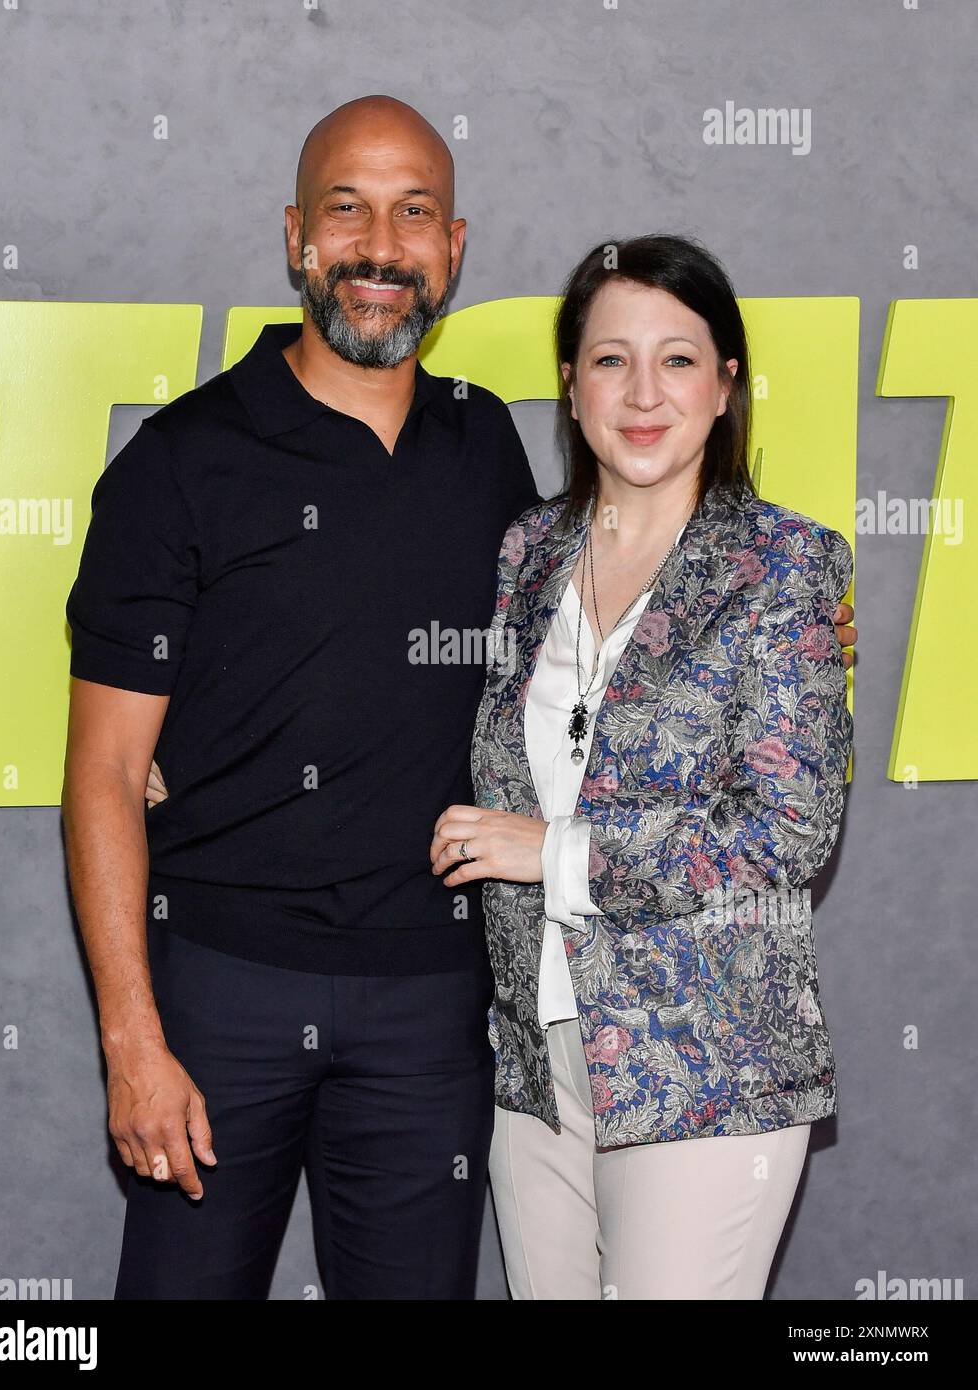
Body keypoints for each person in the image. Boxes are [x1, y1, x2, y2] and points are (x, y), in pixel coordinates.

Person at [69, 95, 858, 1301]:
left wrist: (794, 628)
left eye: (414, 213)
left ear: (453, 247)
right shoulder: (180, 462)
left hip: (442, 1013)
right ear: (296, 236)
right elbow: (105, 776)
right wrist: (133, 1037)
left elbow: (630, 656)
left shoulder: (484, 447)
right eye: (348, 208)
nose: (380, 245)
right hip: (224, 988)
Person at [430, 234, 854, 1299]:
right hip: (538, 1065)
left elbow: (786, 828)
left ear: (726, 385)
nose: (644, 389)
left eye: (678, 358)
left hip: (705, 1067)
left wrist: (554, 854)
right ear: (571, 387)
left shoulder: (783, 565)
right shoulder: (528, 554)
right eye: (611, 359)